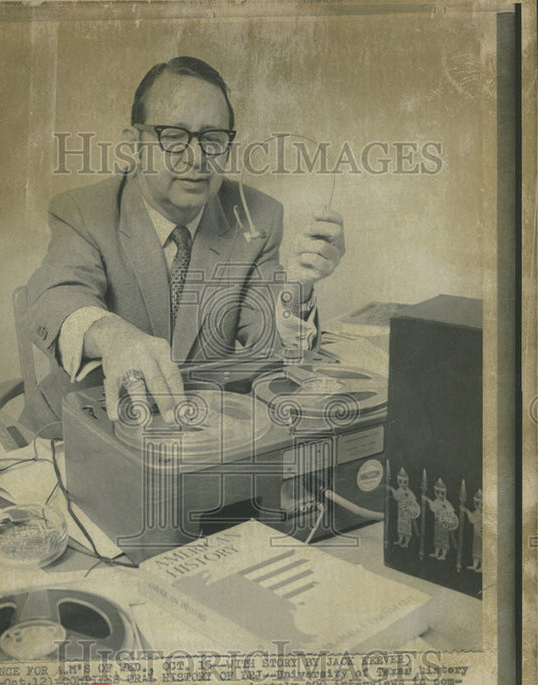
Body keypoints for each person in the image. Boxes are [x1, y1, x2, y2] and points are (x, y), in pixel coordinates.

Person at [23, 57, 345, 431]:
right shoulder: (84, 211)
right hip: (76, 434)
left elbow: (274, 354)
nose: (196, 159)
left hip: (196, 437)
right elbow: (56, 294)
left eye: (212, 139)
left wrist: (299, 287)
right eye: (173, 137)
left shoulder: (257, 217)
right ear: (133, 146)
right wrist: (114, 336)